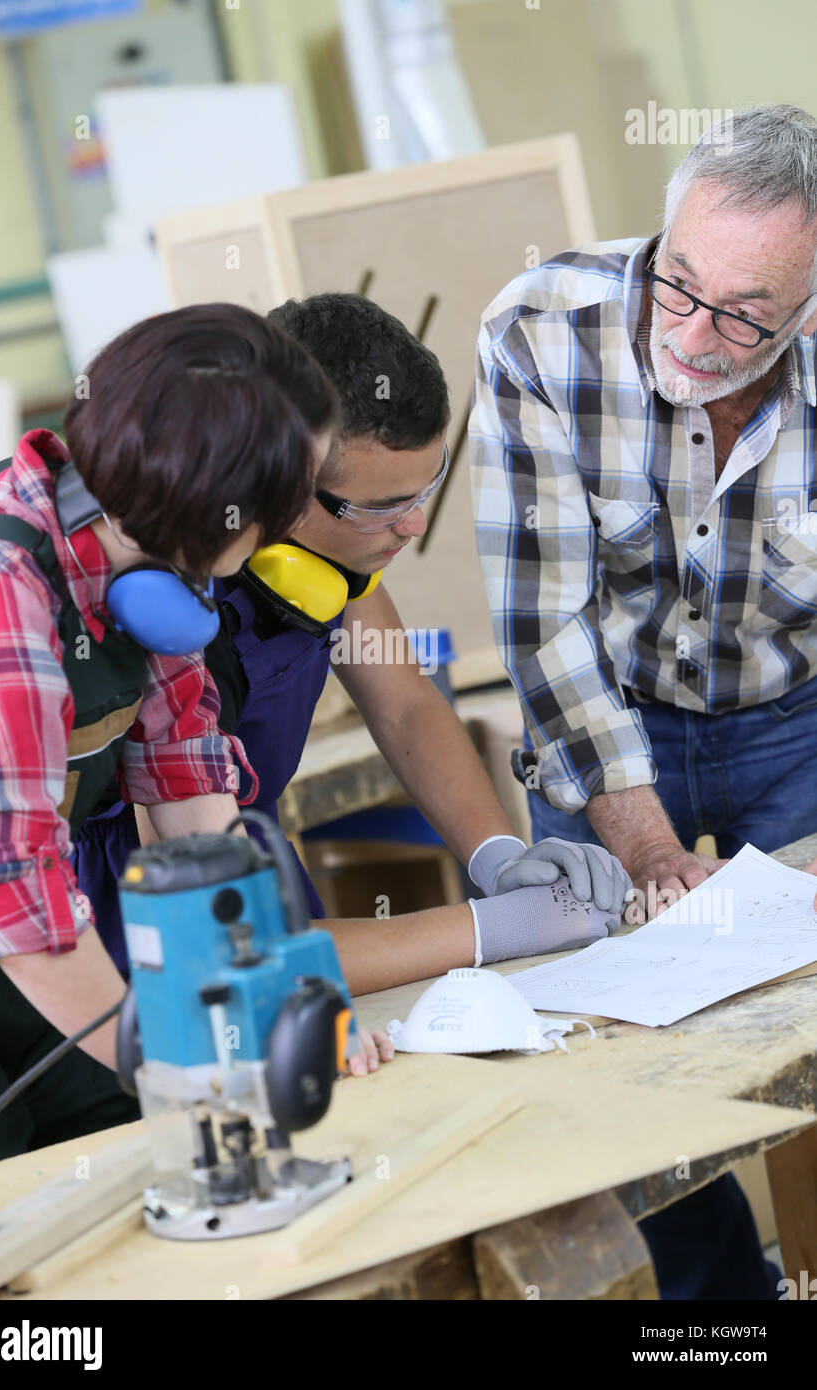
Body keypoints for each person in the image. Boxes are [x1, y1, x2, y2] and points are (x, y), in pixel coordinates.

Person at [75, 292, 631, 1055]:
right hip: (130, 932)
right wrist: (489, 929)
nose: (415, 527)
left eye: (428, 488)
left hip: (259, 876)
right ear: (279, 481)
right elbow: (225, 936)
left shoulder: (330, 562)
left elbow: (404, 704)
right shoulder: (170, 607)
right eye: (386, 507)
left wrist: (498, 858)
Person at [469, 104, 817, 1300]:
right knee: (612, 1043)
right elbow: (542, 624)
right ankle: (720, 1308)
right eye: (677, 284)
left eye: (744, 316)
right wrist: (653, 851)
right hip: (606, 718)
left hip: (794, 718)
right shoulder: (539, 331)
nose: (693, 332)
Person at [0, 303, 344, 1168]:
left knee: (143, 1165)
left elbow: (188, 796)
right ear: (219, 508)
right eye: (284, 499)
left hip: (26, 967)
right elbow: (14, 888)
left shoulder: (142, 554)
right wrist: (181, 1067)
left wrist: (274, 1003)